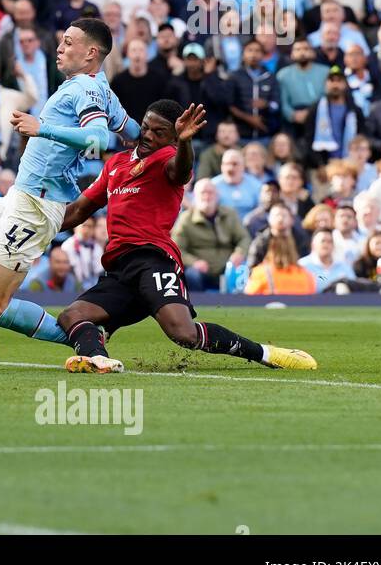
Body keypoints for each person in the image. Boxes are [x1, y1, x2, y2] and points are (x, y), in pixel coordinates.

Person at [0, 19, 139, 371]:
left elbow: (100, 139)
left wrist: (43, 128)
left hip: (36, 207)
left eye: (69, 42)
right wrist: (169, 141)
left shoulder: (84, 90)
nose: (59, 48)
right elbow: (131, 131)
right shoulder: (100, 88)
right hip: (22, 197)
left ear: (91, 52)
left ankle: (85, 336)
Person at [54, 100, 316, 372]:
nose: (148, 135)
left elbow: (180, 171)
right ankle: (98, 358)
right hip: (119, 267)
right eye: (146, 127)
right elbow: (79, 210)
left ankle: (267, 353)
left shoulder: (168, 159)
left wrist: (186, 143)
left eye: (159, 132)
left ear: (173, 138)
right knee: (71, 314)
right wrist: (40, 232)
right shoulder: (115, 164)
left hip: (152, 260)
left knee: (184, 334)